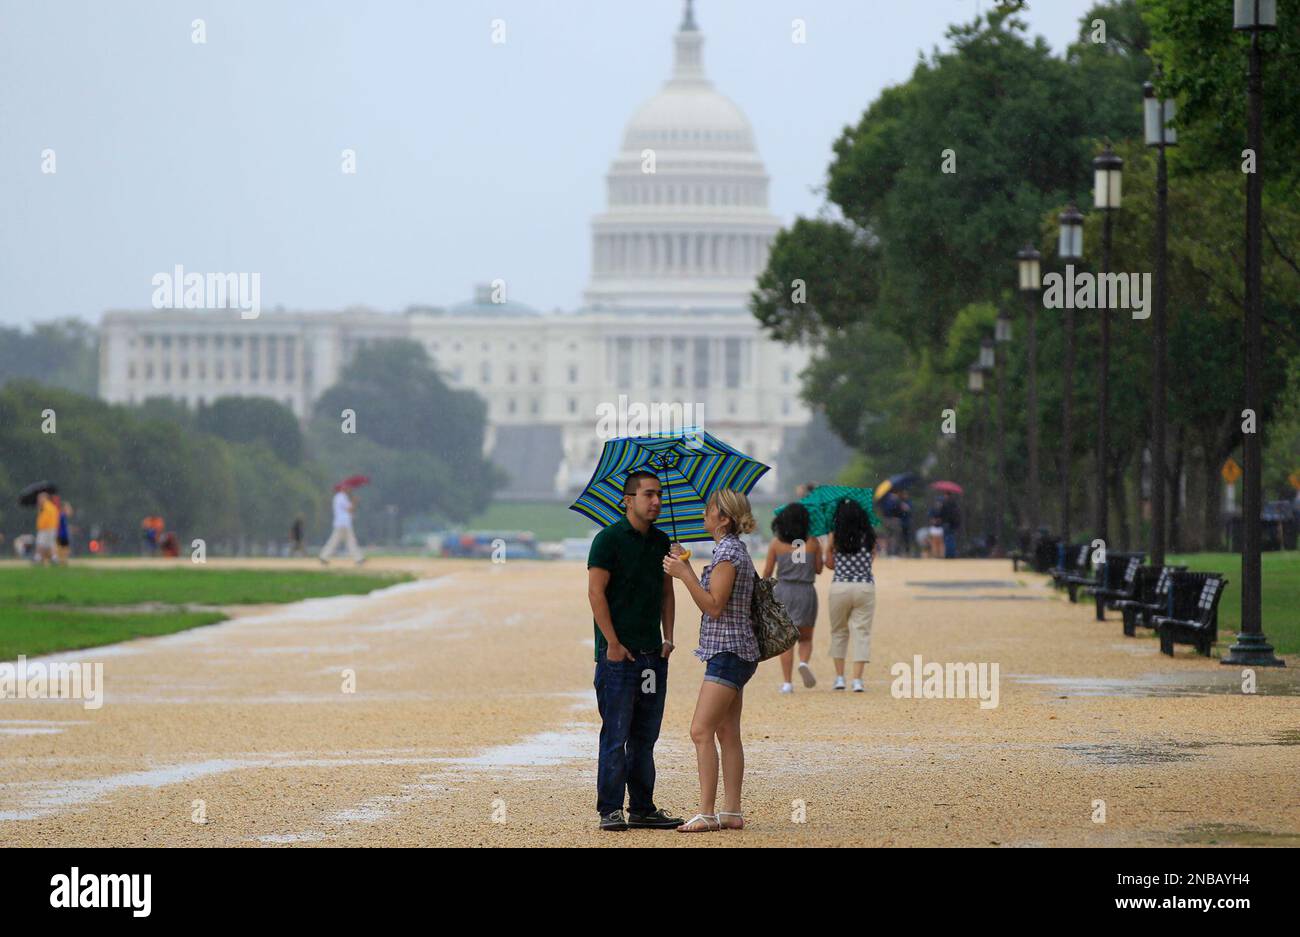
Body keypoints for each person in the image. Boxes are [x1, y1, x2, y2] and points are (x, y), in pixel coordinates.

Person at [586, 470, 683, 832]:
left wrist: (668, 637)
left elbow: (667, 593)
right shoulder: (607, 540)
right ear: (628, 500)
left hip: (651, 657)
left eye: (659, 494)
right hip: (618, 657)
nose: (656, 501)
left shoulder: (662, 541)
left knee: (645, 735)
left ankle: (642, 807)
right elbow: (596, 593)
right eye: (648, 495)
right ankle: (610, 809)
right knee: (616, 733)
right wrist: (611, 642)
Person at [663, 487, 759, 833]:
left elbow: (714, 605)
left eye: (709, 510)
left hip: (728, 653)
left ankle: (706, 812)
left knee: (700, 730)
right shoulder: (732, 550)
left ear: (723, 518)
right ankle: (731, 811)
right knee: (727, 731)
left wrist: (684, 575)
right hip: (737, 651)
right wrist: (686, 566)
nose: (704, 515)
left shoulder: (728, 554)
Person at [762, 502, 822, 694]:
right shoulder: (813, 542)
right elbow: (819, 569)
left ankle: (787, 683)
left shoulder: (777, 543)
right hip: (806, 591)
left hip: (784, 590)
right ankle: (803, 662)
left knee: (787, 638)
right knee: (805, 637)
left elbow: (767, 572)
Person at [825, 498, 877, 693]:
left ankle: (839, 677)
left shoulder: (835, 536)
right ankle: (857, 680)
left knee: (839, 631)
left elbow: (829, 564)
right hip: (864, 586)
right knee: (861, 633)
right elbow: (871, 560)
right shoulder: (869, 535)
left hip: (840, 586)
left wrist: (830, 550)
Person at [319, 487, 364, 566]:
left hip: (343, 523)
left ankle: (359, 559)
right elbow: (350, 509)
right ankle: (358, 559)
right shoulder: (341, 497)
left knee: (346, 541)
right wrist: (355, 501)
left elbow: (348, 510)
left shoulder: (339, 497)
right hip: (343, 523)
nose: (349, 490)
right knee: (347, 541)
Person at [34, 492, 59, 565]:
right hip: (50, 528)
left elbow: (45, 518)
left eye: (40, 498)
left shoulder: (46, 506)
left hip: (46, 528)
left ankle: (38, 558)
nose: (39, 500)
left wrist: (42, 526)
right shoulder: (50, 506)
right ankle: (54, 558)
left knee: (40, 543)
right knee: (51, 544)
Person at [939, 494, 961, 559]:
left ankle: (948, 555)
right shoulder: (955, 504)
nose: (944, 497)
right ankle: (952, 554)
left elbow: (942, 514)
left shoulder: (945, 504)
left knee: (947, 540)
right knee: (951, 540)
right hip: (953, 525)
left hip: (947, 524)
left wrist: (941, 508)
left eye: (945, 495)